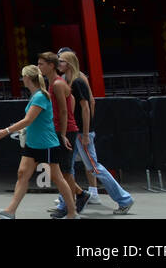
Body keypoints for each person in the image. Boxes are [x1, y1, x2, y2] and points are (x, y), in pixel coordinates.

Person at [51, 50, 134, 215]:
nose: (58, 64)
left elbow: (86, 107)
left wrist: (87, 133)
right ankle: (66, 203)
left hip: (81, 132)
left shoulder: (77, 81)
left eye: (61, 61)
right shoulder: (67, 80)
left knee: (93, 167)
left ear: (69, 63)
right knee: (67, 169)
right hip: (75, 131)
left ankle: (124, 199)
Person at [0, 65, 78, 219]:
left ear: (28, 78)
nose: (22, 79)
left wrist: (6, 131)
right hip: (33, 144)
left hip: (46, 144)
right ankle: (10, 211)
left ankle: (72, 212)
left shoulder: (40, 97)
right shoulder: (36, 95)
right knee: (22, 174)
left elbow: (28, 120)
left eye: (23, 76)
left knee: (57, 178)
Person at [39, 51, 87, 213]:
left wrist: (64, 133)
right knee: (58, 171)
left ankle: (70, 206)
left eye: (41, 64)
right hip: (57, 130)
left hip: (64, 132)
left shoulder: (58, 84)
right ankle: (79, 195)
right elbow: (71, 101)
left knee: (64, 171)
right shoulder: (52, 83)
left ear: (51, 66)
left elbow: (64, 111)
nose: (39, 67)